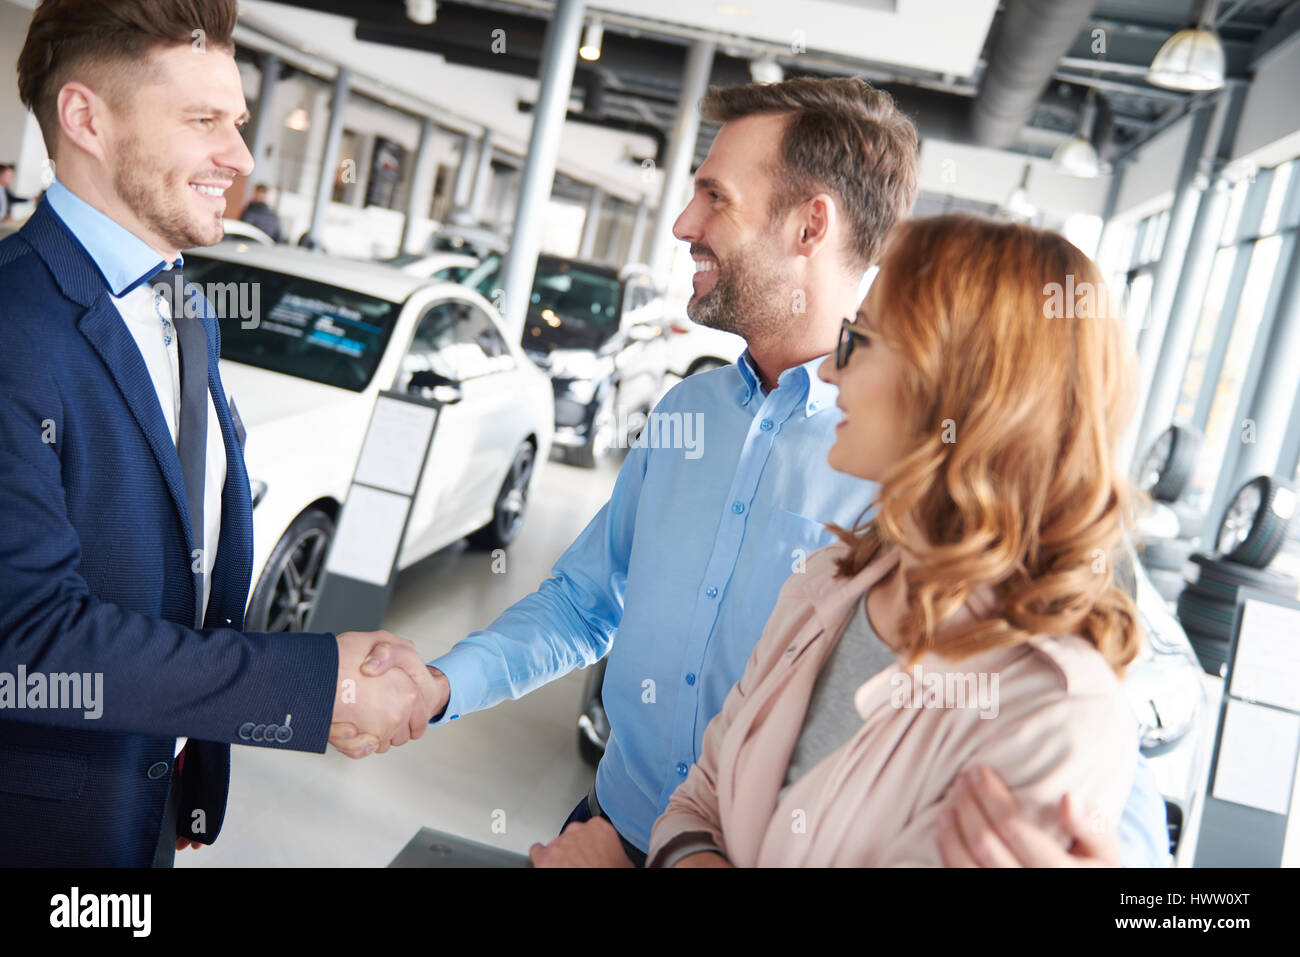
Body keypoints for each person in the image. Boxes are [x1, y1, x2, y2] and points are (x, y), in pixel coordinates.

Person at [361, 76, 1167, 866]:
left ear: (810, 225)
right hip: (617, 827)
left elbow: (1088, 753)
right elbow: (585, 599)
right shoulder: (693, 419)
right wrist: (441, 684)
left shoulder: (935, 473)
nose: (683, 223)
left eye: (715, 197)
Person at [0, 0, 435, 868]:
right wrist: (321, 685)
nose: (238, 158)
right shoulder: (15, 325)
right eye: (203, 121)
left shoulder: (187, 309)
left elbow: (186, 562)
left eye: (235, 122)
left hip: (147, 807)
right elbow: (29, 638)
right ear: (86, 117)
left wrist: (186, 785)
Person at [640, 215, 1142, 867]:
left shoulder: (1055, 711)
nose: (826, 370)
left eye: (859, 340)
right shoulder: (829, 582)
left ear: (963, 385)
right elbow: (695, 807)